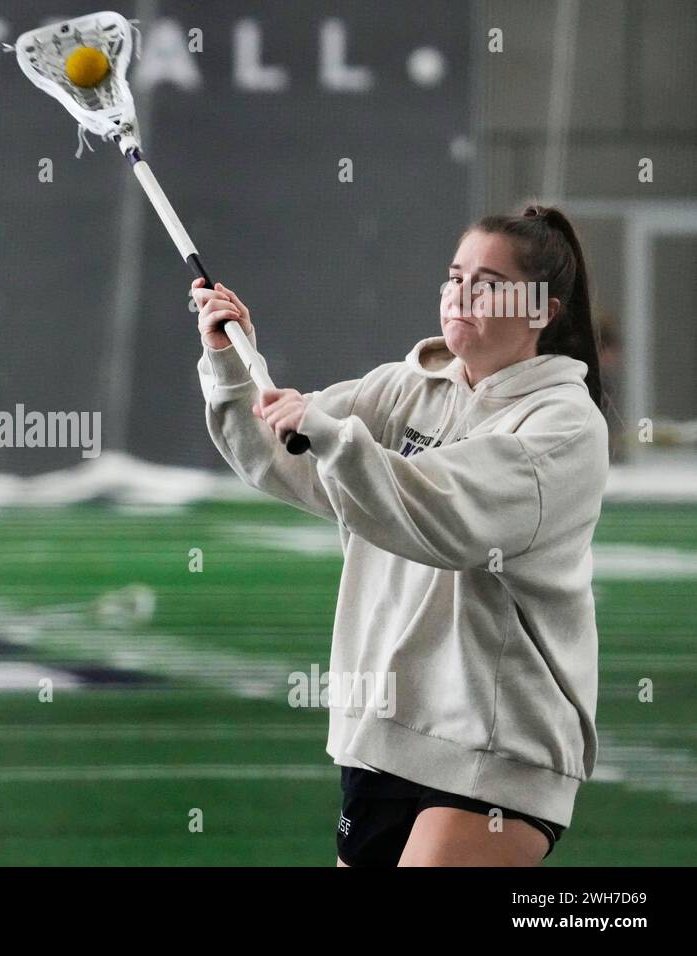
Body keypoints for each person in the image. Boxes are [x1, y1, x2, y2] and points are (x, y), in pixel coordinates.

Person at [194, 204, 608, 866]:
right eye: (454, 275)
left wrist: (330, 433)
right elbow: (283, 456)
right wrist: (230, 364)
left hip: (499, 752)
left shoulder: (563, 428)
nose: (462, 293)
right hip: (382, 736)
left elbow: (445, 511)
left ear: (543, 311)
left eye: (490, 281)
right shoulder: (403, 389)